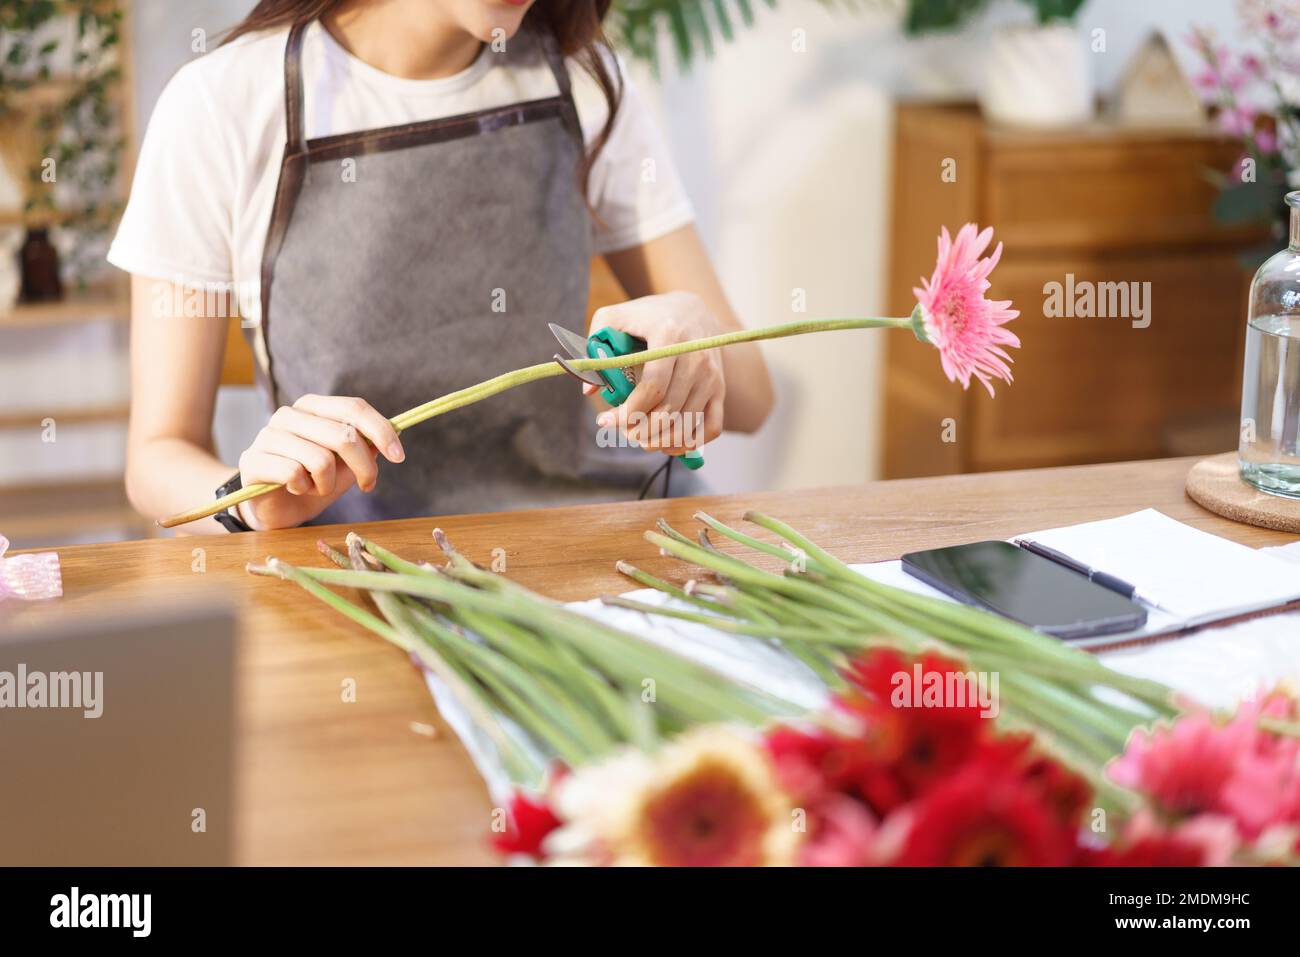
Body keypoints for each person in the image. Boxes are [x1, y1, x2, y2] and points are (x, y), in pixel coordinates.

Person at [112, 0, 773, 532]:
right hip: (363, 567)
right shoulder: (221, 104)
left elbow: (751, 400)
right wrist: (251, 503)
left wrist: (694, 338)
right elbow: (158, 456)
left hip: (597, 543)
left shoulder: (583, 80)